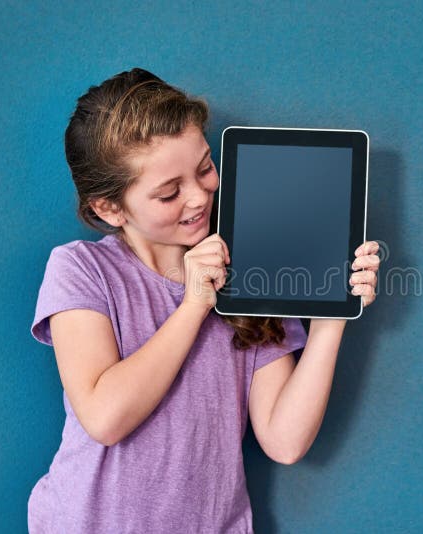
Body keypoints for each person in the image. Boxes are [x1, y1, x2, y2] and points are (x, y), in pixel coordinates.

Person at [27, 68, 380, 533]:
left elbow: (284, 440)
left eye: (205, 168)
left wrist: (334, 311)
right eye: (169, 193)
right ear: (109, 208)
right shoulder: (82, 269)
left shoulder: (252, 272)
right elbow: (105, 417)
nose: (198, 197)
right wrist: (193, 305)